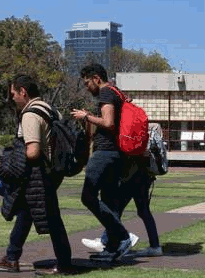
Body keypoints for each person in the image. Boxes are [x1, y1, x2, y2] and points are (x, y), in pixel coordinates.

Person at [0, 75, 73, 276]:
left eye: (13, 94)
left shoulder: (29, 114)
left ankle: (64, 264)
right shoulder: (51, 109)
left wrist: (12, 159)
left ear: (23, 92)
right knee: (26, 212)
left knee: (51, 218)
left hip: (37, 174)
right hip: (52, 172)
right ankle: (11, 257)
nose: (12, 99)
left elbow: (33, 151)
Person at [71, 64, 133, 262]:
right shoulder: (117, 91)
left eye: (87, 83)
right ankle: (112, 248)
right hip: (117, 154)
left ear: (96, 78)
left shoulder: (106, 93)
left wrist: (86, 116)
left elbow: (108, 123)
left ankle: (123, 236)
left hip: (105, 152)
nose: (87, 87)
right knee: (108, 201)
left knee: (87, 196)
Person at [82, 156, 161, 257]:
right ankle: (155, 246)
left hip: (132, 177)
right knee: (143, 211)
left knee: (117, 209)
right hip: (144, 176)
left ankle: (109, 239)